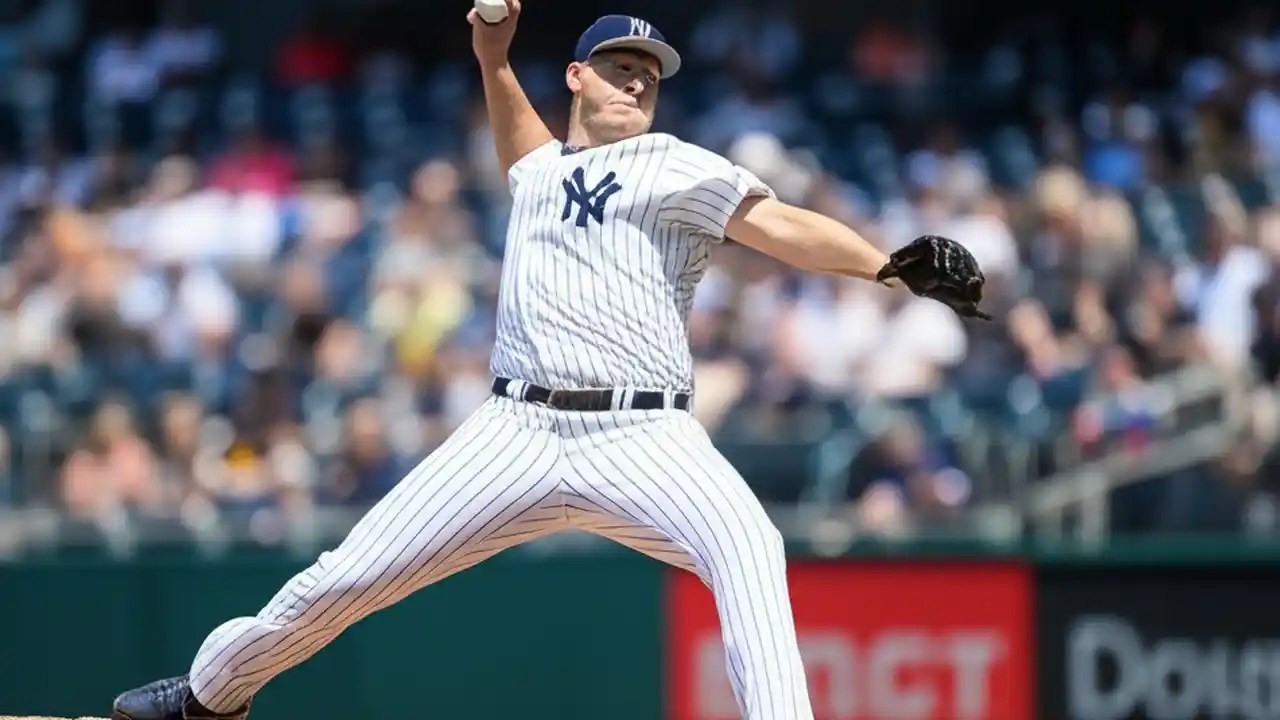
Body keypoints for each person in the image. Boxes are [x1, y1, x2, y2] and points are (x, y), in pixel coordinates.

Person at [109, 4, 985, 719]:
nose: (638, 77)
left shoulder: (675, 164)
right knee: (343, 580)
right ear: (577, 76)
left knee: (750, 546)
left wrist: (881, 263)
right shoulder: (535, 173)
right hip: (514, 430)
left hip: (643, 434)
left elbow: (780, 225)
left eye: (649, 69)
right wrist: (493, 59)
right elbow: (522, 140)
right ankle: (208, 695)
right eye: (618, 62)